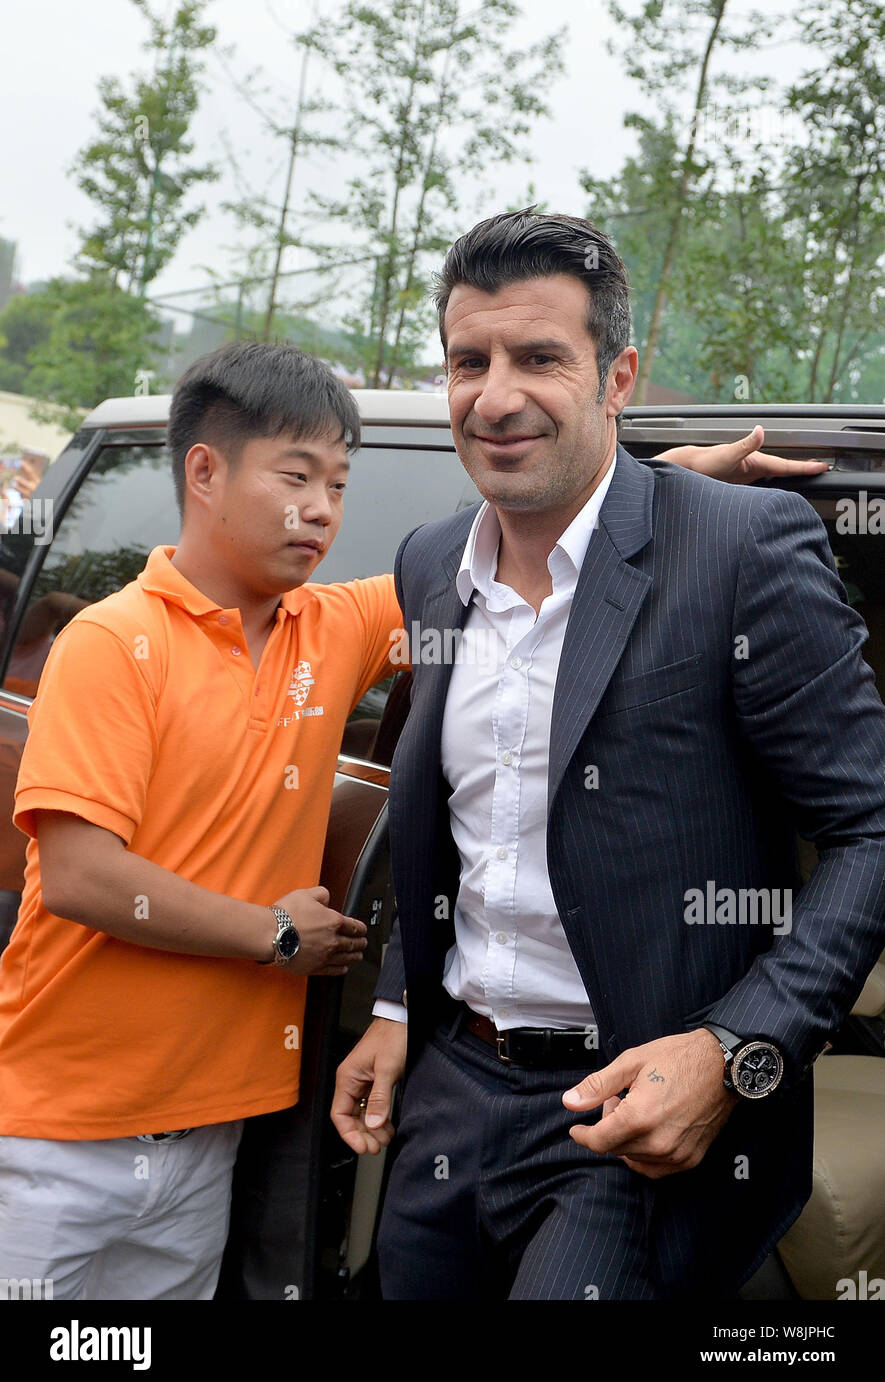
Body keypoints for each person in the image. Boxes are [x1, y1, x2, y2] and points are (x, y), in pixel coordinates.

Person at [331, 208, 885, 1300]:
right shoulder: (432, 558)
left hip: (631, 1107)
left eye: (541, 357)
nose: (495, 396)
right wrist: (398, 1009)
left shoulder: (740, 551)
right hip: (451, 1088)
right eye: (468, 360)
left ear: (617, 375)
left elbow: (872, 829)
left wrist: (732, 1052)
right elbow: (455, 823)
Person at [0, 342, 401, 1299]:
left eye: (339, 485)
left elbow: (503, 553)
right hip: (58, 1138)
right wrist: (273, 935)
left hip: (211, 1138)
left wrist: (661, 484)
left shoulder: (333, 628)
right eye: (296, 476)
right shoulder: (112, 642)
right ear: (206, 470)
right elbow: (87, 874)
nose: (322, 510)